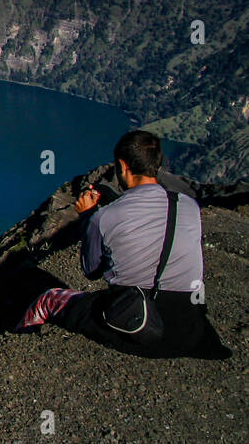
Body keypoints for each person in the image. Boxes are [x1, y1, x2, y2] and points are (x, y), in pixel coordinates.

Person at [16, 130, 229, 359]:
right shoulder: (189, 206)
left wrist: (88, 217)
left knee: (48, 300)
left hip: (141, 326)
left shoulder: (104, 218)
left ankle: (17, 349)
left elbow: (92, 271)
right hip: (191, 329)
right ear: (156, 165)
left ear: (123, 166)